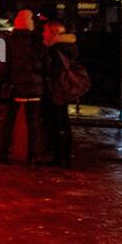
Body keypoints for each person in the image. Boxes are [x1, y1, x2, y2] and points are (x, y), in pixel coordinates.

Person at [0, 9, 44, 164]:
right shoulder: (38, 42)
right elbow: (46, 64)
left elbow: (0, 64)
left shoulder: (5, 40)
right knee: (34, 123)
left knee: (9, 121)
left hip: (15, 86)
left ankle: (3, 153)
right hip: (35, 86)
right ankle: (33, 155)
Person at [42, 21, 79, 167]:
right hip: (64, 88)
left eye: (46, 31)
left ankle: (59, 156)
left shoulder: (55, 50)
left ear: (54, 33)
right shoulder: (68, 48)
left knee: (56, 122)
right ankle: (66, 154)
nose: (43, 34)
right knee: (63, 121)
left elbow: (49, 70)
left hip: (56, 89)